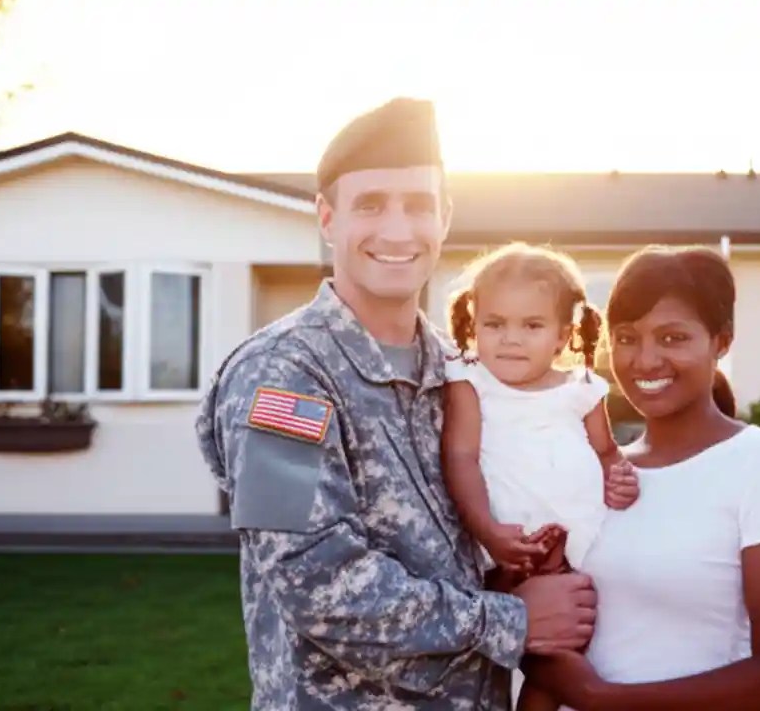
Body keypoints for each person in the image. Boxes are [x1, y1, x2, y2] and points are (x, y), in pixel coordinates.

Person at [195, 98, 598, 710]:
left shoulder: (465, 372)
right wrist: (510, 620)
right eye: (371, 205)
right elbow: (317, 583)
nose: (397, 230)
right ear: (327, 218)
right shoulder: (283, 377)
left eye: (418, 206)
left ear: (445, 220)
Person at [523, 245, 760, 710]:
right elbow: (544, 636)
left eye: (672, 338)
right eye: (627, 337)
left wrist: (600, 698)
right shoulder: (596, 472)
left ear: (721, 342)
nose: (644, 361)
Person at [440, 243, 641, 711]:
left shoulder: (583, 391)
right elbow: (460, 456)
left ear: (562, 335)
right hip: (512, 550)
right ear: (474, 324)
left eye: (531, 326)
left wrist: (620, 478)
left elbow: (608, 454)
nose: (511, 339)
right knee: (538, 656)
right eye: (495, 324)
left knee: (565, 660)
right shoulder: (471, 383)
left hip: (582, 547)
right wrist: (488, 530)